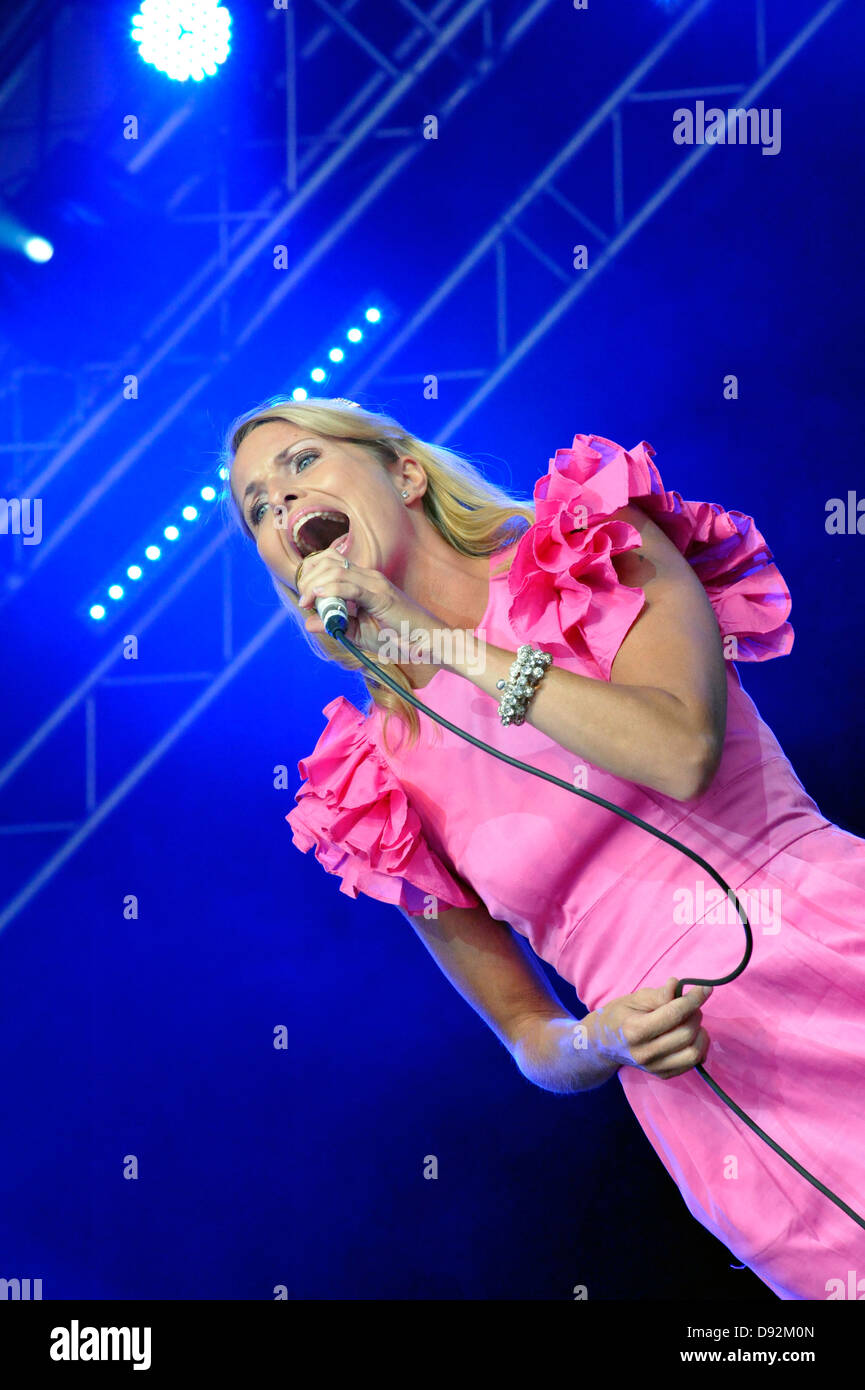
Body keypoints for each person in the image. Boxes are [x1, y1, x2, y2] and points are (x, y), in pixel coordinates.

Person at [225, 395, 865, 1301]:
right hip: (725, 1102)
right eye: (255, 508)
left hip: (831, 952)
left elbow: (677, 752)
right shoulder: (369, 779)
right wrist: (600, 1038)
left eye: (300, 465)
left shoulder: (588, 549)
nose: (282, 506)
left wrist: (446, 646)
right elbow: (530, 1040)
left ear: (403, 472)